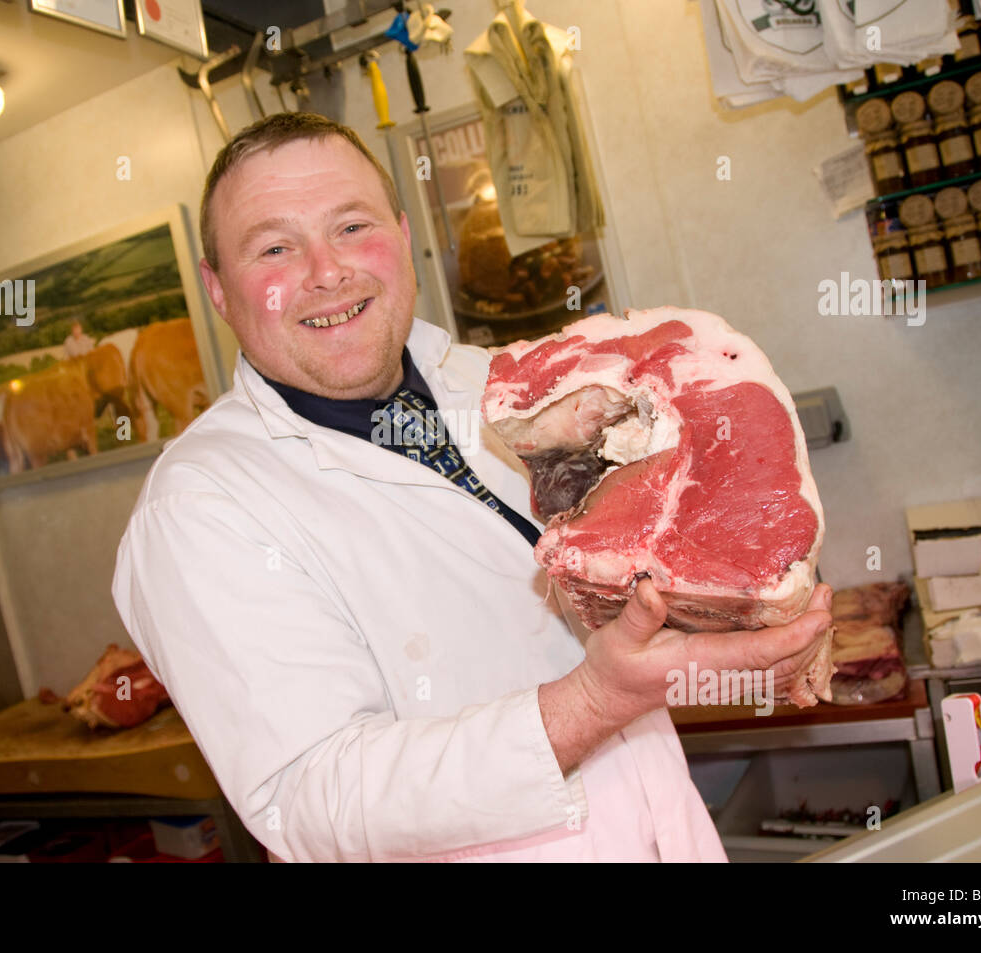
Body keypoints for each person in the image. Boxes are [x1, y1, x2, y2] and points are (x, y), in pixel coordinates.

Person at [111, 112, 832, 862]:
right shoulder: (199, 507)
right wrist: (594, 701)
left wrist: (750, 617)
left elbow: (628, 590)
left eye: (352, 226)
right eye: (274, 247)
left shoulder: (505, 386)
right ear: (218, 289)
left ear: (402, 233)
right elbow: (310, 794)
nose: (327, 271)